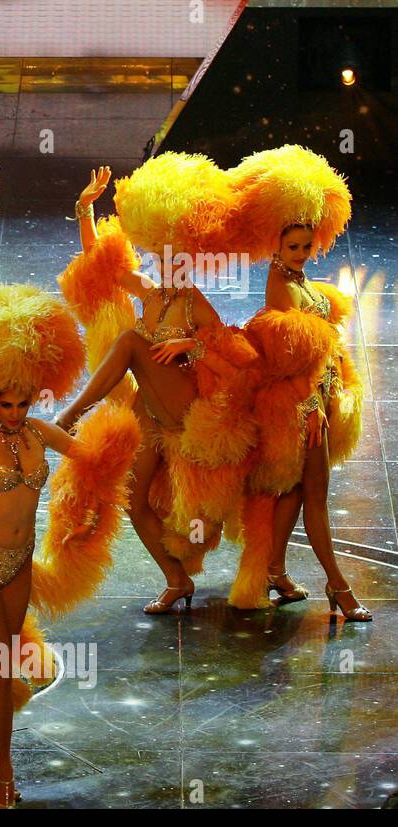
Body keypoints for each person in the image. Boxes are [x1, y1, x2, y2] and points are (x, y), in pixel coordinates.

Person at [0, 283, 140, 807]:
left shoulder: (39, 432)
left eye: (24, 402)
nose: (16, 412)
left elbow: (95, 459)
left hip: (18, 565)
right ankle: (4, 777)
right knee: (1, 664)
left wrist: (125, 432)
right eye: (6, 403)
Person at [54, 154, 258, 614]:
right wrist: (85, 209)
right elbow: (97, 262)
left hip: (184, 411)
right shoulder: (147, 292)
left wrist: (193, 345)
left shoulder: (196, 306)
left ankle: (71, 414)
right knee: (133, 498)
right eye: (162, 260)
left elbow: (239, 369)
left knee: (129, 341)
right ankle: (175, 579)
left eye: (177, 261)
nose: (168, 267)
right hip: (150, 413)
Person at [226, 145, 369, 620]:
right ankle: (340, 587)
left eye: (308, 246)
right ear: (276, 246)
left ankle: (274, 570)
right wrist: (312, 411)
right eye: (295, 247)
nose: (304, 254)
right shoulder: (282, 287)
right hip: (302, 411)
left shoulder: (296, 278)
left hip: (317, 403)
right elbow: (292, 360)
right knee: (316, 498)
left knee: (293, 492)